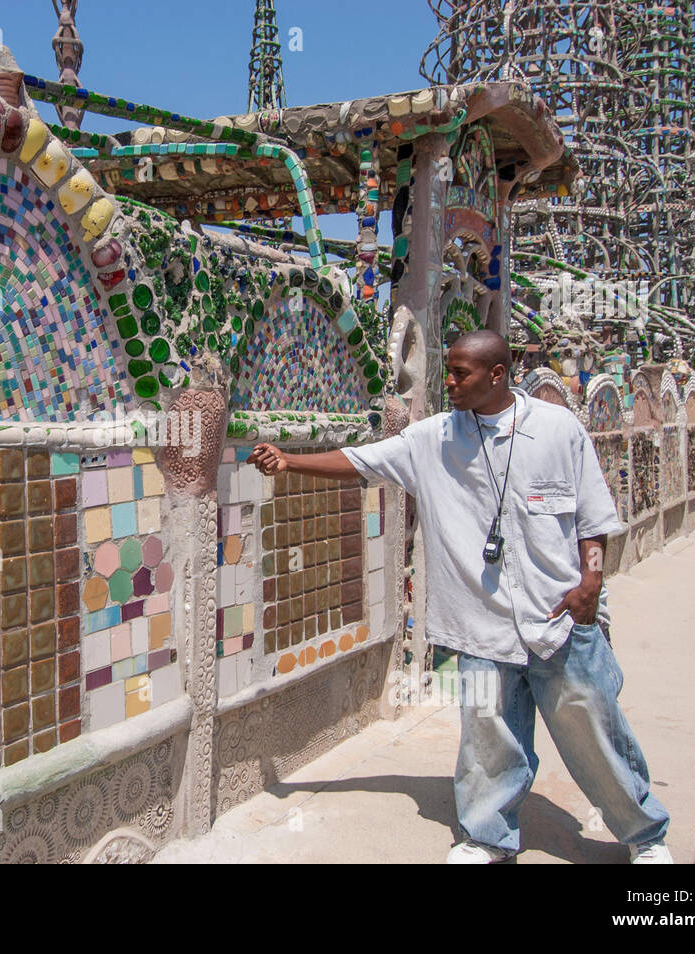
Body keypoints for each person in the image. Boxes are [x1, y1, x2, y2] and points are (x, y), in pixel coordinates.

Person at [248, 330, 672, 864]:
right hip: (479, 624)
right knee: (486, 740)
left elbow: (592, 514)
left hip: (559, 618)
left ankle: (645, 837)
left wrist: (591, 582)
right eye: (446, 370)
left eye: (460, 373)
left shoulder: (558, 429)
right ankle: (487, 838)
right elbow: (362, 460)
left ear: (497, 374)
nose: (448, 383)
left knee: (596, 734)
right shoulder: (435, 438)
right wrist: (290, 462)